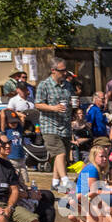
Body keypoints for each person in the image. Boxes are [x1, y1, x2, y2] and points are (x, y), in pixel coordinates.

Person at [0, 134, 58, 222]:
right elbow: (7, 189)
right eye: (3, 144)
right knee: (48, 211)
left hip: (20, 196)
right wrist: (28, 195)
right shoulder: (0, 165)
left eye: (9, 142)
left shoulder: (8, 163)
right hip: (10, 202)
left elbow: (17, 185)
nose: (8, 146)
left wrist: (29, 191)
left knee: (48, 195)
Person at [34, 60, 74, 192]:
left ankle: (55, 183)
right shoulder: (44, 85)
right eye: (62, 70)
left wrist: (75, 104)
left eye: (65, 70)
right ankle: (66, 181)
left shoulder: (68, 85)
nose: (65, 72)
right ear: (53, 70)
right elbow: (38, 104)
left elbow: (70, 101)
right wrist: (53, 108)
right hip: (49, 125)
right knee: (60, 152)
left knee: (60, 156)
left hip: (65, 125)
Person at [76, 139, 112, 217]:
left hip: (91, 196)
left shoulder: (98, 168)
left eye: (106, 156)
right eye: (101, 156)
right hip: (84, 198)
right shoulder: (92, 168)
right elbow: (94, 191)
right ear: (94, 157)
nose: (105, 159)